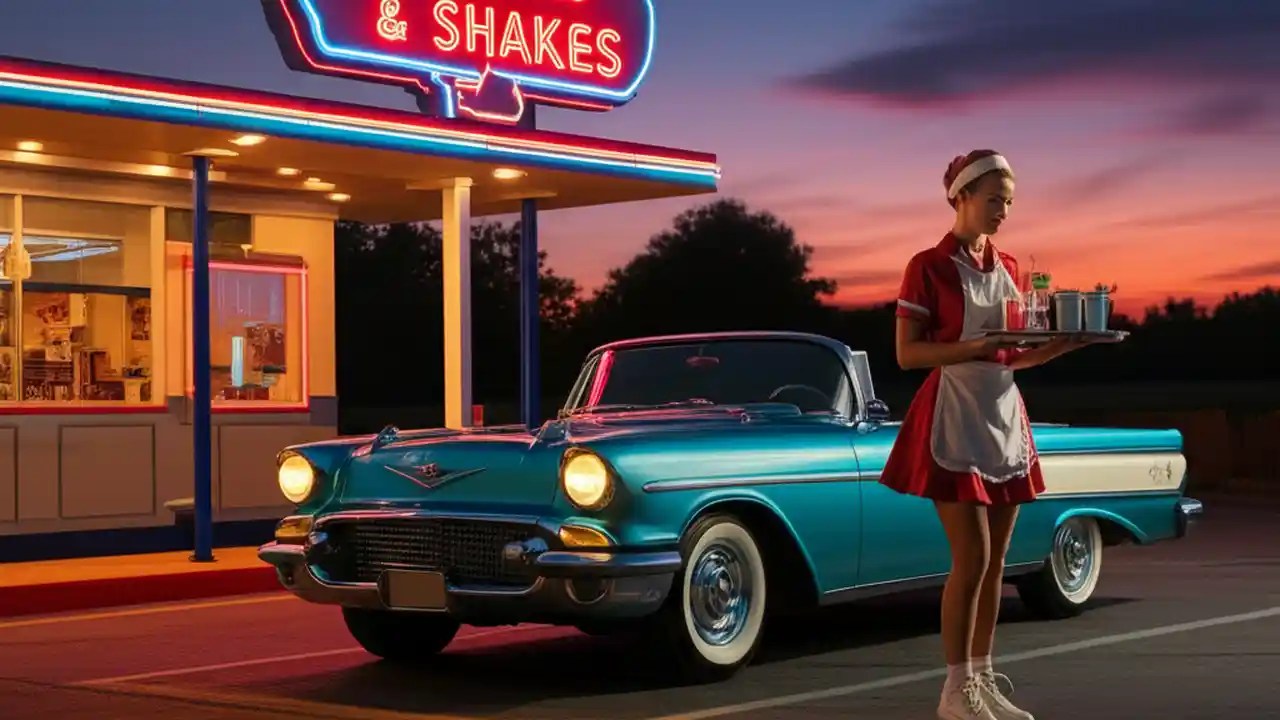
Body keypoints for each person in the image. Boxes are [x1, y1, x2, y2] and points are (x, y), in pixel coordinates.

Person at [880, 150, 1090, 720]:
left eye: (1010, 201)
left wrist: (1057, 347)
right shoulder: (927, 266)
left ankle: (981, 678)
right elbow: (906, 354)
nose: (1004, 210)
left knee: (997, 561)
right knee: (970, 558)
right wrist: (971, 348)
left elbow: (1011, 357)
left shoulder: (1010, 265)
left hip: (1003, 414)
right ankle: (953, 690)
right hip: (954, 411)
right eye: (995, 199)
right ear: (962, 197)